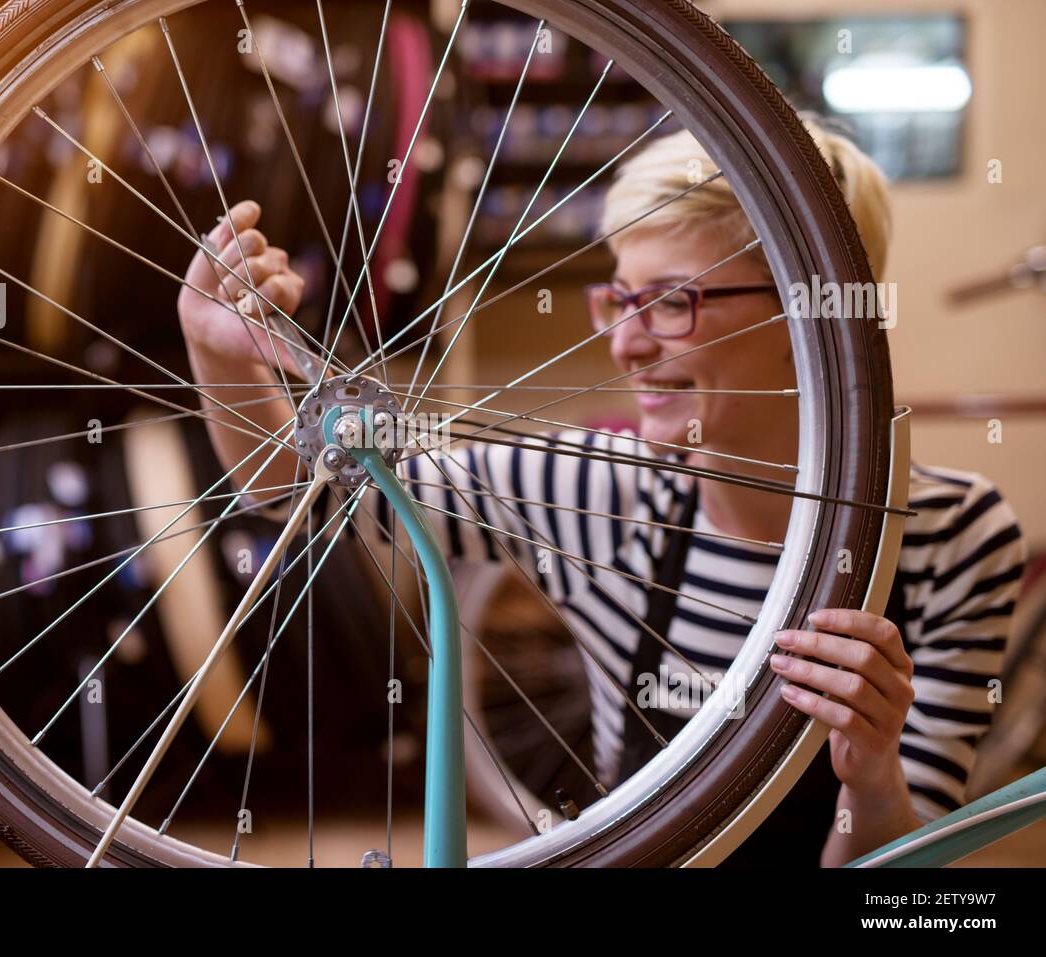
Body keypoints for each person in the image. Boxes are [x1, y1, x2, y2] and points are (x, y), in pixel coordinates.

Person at [174, 116, 1026, 867]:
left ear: (815, 314)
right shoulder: (597, 491)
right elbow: (306, 498)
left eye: (669, 303)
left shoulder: (953, 535)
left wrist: (871, 780)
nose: (625, 342)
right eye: (617, 299)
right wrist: (218, 351)